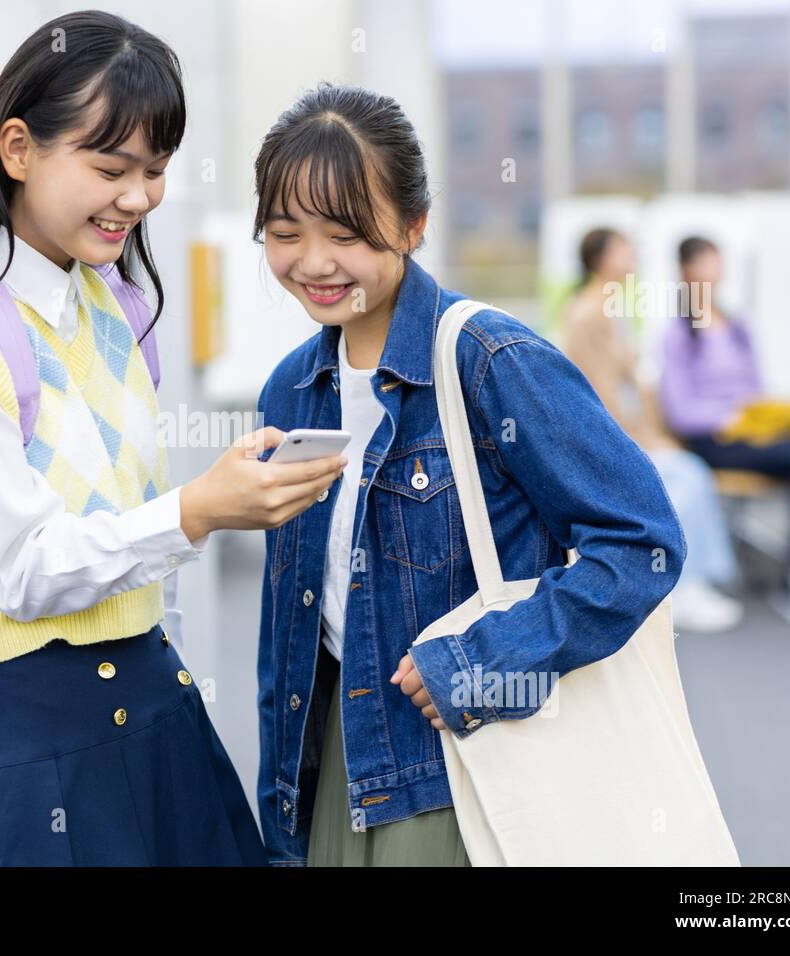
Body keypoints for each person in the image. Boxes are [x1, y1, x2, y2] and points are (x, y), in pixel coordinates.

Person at [0, 11, 345, 866]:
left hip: (153, 703)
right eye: (111, 167)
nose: (138, 198)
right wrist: (197, 512)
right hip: (30, 741)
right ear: (18, 149)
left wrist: (190, 520)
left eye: (154, 170)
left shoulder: (109, 304)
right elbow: (25, 568)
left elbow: (123, 519)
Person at [251, 83, 686, 867]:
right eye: (285, 232)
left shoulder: (490, 360)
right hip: (329, 773)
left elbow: (643, 542)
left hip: (464, 765)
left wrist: (481, 661)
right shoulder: (289, 389)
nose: (312, 263)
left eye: (346, 233)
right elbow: (294, 624)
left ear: (414, 225)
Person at [660, 235, 790, 631]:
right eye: (705, 264)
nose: (714, 274)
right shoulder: (678, 334)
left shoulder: (736, 326)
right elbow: (681, 410)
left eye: (718, 264)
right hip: (718, 441)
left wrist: (768, 415)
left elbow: (756, 389)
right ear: (685, 272)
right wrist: (728, 417)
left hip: (756, 432)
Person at [563, 228, 743, 633]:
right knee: (689, 478)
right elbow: (600, 391)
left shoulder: (609, 308)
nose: (633, 258)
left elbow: (634, 384)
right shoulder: (589, 313)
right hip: (612, 441)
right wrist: (642, 440)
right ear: (601, 259)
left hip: (631, 434)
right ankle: (680, 586)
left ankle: (693, 581)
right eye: (625, 251)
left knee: (690, 473)